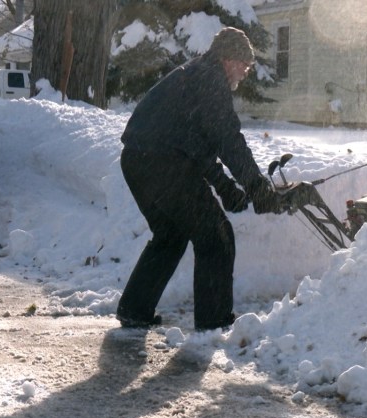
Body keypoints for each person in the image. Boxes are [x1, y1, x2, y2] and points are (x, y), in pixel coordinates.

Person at [116, 27, 282, 331]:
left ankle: (134, 309)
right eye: (244, 65)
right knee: (216, 236)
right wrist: (257, 188)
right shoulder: (210, 80)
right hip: (161, 163)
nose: (244, 73)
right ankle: (214, 323)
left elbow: (197, 147)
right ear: (229, 59)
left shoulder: (196, 75)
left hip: (137, 161)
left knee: (170, 235)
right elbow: (227, 140)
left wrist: (227, 187)